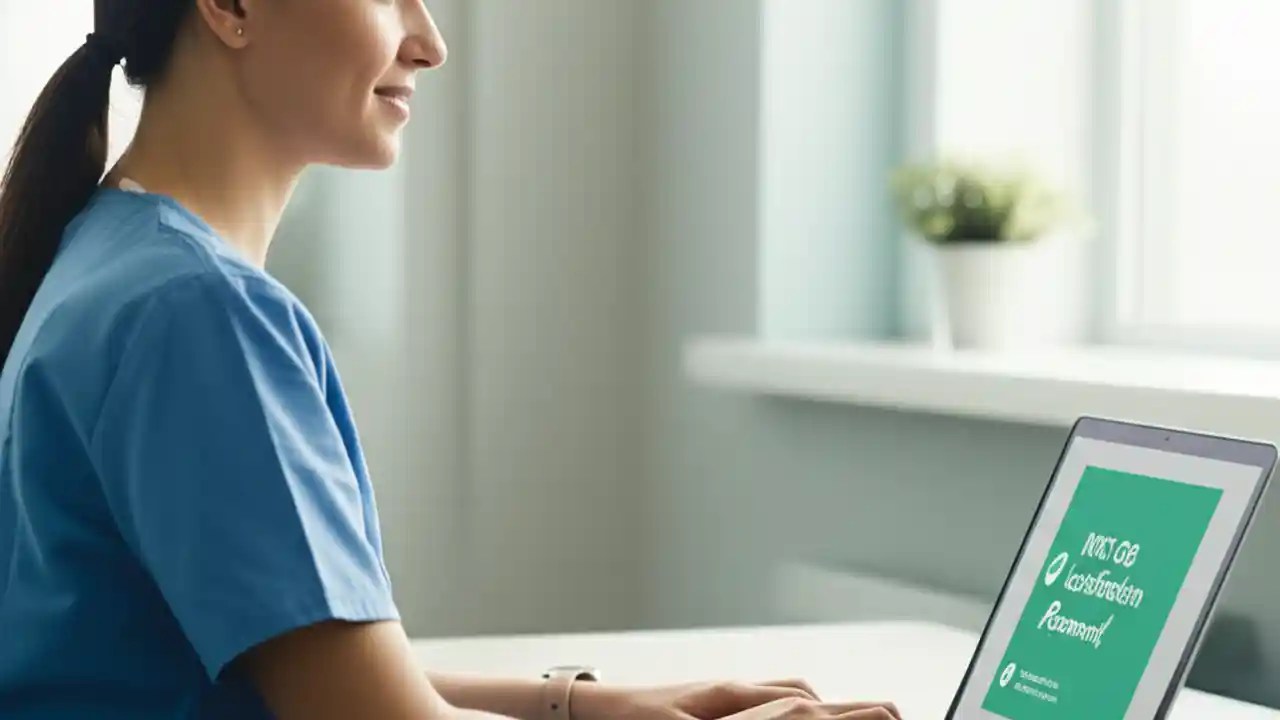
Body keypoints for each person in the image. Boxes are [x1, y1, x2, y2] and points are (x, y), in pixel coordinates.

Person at [0, 2, 903, 719]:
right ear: (231, 6)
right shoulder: (197, 313)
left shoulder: (110, 254)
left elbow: (318, 679)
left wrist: (589, 706)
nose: (429, 42)